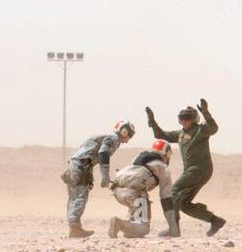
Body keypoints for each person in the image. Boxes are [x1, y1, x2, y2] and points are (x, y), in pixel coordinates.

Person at [146, 98, 225, 236]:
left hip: (199, 169)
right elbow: (160, 135)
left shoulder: (201, 130)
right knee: (183, 204)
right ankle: (215, 221)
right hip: (193, 171)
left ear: (194, 119)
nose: (185, 121)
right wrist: (152, 121)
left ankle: (173, 229)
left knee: (173, 191)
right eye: (182, 118)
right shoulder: (180, 134)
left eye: (188, 118)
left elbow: (214, 128)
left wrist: (206, 112)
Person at [63, 120, 135, 238]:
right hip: (82, 166)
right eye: (130, 134)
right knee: (80, 196)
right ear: (124, 131)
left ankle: (73, 227)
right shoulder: (113, 138)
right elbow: (103, 154)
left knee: (73, 197)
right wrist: (105, 176)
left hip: (75, 164)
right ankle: (75, 229)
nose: (129, 137)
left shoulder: (108, 137)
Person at [107, 140, 179, 238]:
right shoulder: (162, 166)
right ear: (164, 152)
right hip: (134, 194)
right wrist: (173, 227)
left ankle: (129, 228)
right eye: (169, 153)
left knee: (133, 230)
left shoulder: (138, 158)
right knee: (143, 228)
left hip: (117, 191)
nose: (168, 157)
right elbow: (166, 198)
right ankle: (119, 224)